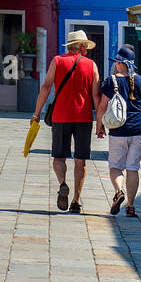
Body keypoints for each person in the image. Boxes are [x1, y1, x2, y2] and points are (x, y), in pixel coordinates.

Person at [31, 29, 102, 213]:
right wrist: (100, 123)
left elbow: (46, 87)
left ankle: (63, 184)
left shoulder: (57, 61)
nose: (86, 48)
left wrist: (36, 114)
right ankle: (76, 200)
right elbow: (96, 96)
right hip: (83, 117)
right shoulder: (91, 65)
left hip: (61, 116)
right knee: (80, 161)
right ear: (81, 46)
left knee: (59, 157)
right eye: (85, 45)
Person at [95, 46, 141, 217]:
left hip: (119, 131)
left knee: (115, 167)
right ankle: (131, 206)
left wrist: (100, 126)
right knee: (133, 169)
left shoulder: (110, 81)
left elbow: (101, 108)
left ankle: (119, 191)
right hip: (140, 130)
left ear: (120, 64)